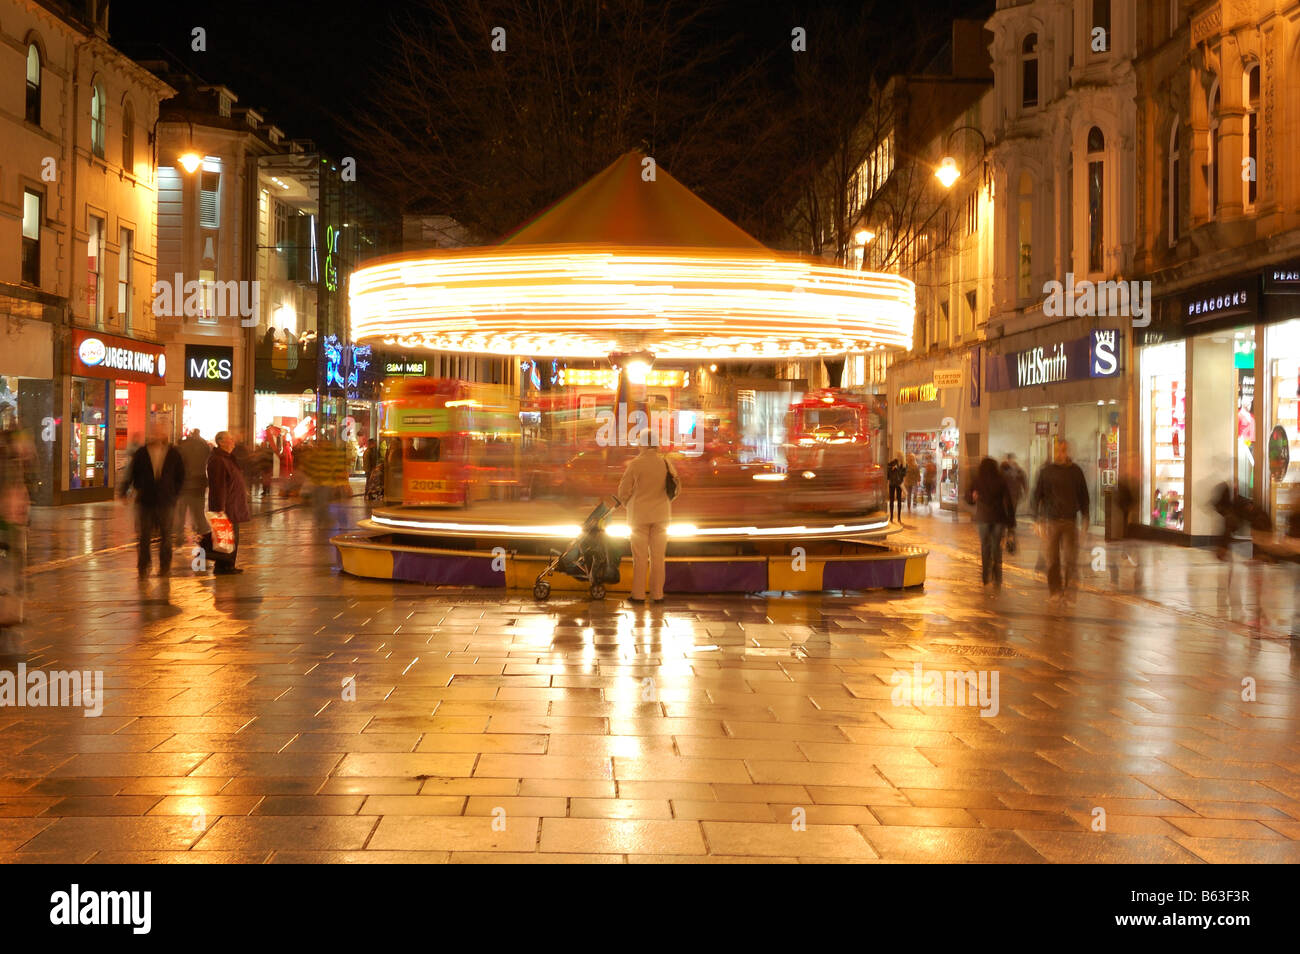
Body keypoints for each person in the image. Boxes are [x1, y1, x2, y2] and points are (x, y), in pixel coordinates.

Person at [616, 428, 679, 604]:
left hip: (638, 517)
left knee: (640, 558)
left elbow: (623, 491)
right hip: (661, 516)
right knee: (658, 558)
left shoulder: (635, 464)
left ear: (642, 443)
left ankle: (638, 595)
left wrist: (627, 503)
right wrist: (665, 502)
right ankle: (657, 595)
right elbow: (676, 487)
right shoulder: (665, 463)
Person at [119, 426, 185, 578]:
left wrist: (174, 493)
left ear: (164, 436)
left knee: (167, 536)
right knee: (144, 536)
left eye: (158, 432)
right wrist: (124, 491)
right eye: (153, 433)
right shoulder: (141, 453)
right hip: (145, 500)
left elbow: (180, 475)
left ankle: (165, 567)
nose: (155, 435)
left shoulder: (173, 453)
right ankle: (143, 567)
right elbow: (131, 472)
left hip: (166, 500)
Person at [1030, 441, 1090, 603]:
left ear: (1068, 451)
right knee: (1052, 560)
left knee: (1071, 559)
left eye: (1063, 450)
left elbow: (1083, 495)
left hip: (1070, 521)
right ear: (1054, 452)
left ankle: (1069, 592)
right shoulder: (1047, 472)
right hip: (1052, 521)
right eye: (1058, 450)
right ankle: (1055, 591)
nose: (1061, 453)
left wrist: (1085, 518)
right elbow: (1037, 496)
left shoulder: (1075, 472)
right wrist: (1036, 519)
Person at [966, 456, 1016, 593]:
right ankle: (997, 577)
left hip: (983, 518)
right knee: (996, 547)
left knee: (985, 546)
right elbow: (1009, 503)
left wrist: (973, 497)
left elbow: (968, 498)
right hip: (999, 518)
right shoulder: (1001, 480)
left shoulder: (977, 480)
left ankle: (985, 576)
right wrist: (1012, 524)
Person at [206, 431, 251, 574]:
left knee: (230, 537)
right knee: (227, 537)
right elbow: (218, 485)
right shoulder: (218, 460)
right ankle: (224, 566)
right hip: (227, 506)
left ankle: (227, 565)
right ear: (221, 442)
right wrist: (220, 508)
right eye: (230, 440)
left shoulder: (227, 458)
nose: (233, 442)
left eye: (232, 439)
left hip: (233, 503)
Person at [175, 428, 211, 546]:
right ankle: (204, 542)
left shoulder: (183, 446)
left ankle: (179, 540)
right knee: (199, 514)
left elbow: (178, 466)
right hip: (199, 484)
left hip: (184, 485)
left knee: (181, 514)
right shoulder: (204, 445)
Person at [1000, 453, 1028, 552]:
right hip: (1008, 497)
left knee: (1009, 513)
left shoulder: (1016, 470)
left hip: (1012, 496)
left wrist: (1025, 491)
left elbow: (1023, 481)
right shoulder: (1005, 469)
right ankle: (1008, 531)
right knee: (1008, 513)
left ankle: (1008, 531)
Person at [886, 453, 905, 521]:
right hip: (892, 483)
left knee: (899, 500)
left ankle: (899, 517)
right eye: (898, 455)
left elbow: (904, 474)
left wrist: (898, 469)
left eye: (900, 456)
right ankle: (891, 516)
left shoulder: (904, 464)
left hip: (899, 484)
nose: (898, 457)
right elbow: (888, 468)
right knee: (891, 500)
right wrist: (892, 468)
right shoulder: (893, 462)